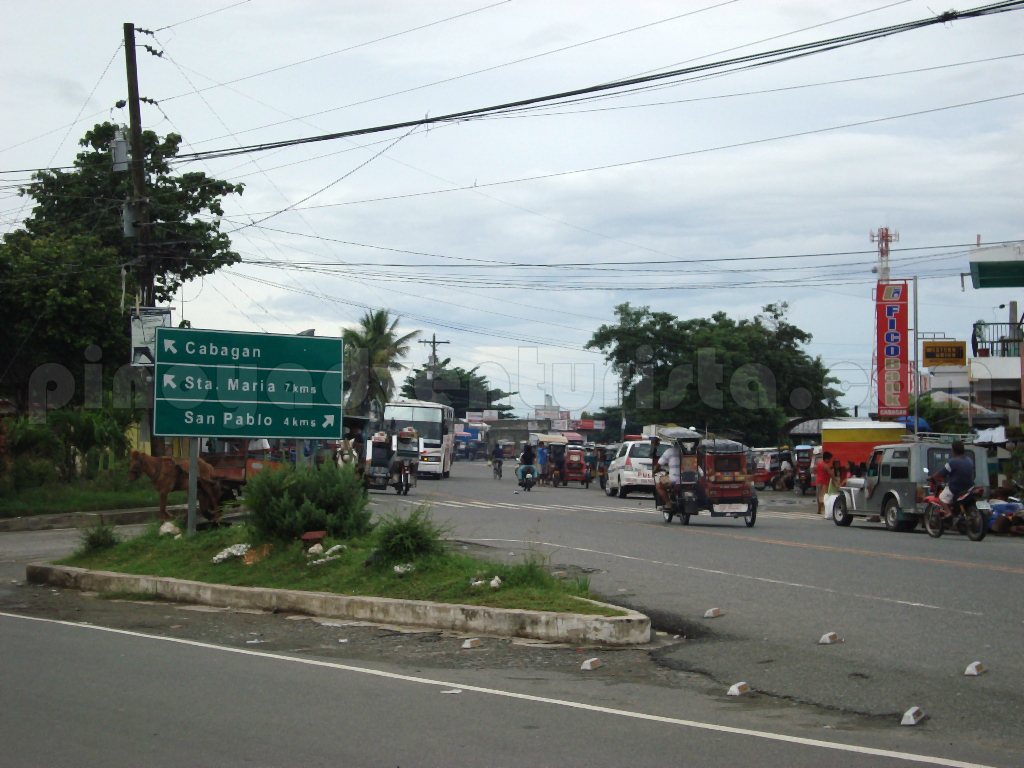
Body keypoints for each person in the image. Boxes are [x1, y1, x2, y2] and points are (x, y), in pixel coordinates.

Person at [930, 441, 975, 517]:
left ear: (953, 450)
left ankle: (948, 512)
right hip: (968, 488)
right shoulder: (969, 460)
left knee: (941, 497)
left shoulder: (952, 462)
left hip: (956, 488)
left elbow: (942, 472)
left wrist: (932, 477)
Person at [652, 437, 680, 511]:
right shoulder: (690, 453)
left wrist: (654, 471)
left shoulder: (669, 451)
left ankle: (668, 503)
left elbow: (659, 464)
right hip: (689, 479)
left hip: (674, 479)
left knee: (659, 485)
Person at [815, 450, 836, 515]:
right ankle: (824, 510)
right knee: (824, 496)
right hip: (824, 482)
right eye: (829, 459)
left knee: (819, 496)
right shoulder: (826, 465)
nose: (830, 460)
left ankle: (819, 510)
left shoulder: (819, 464)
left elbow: (815, 471)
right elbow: (831, 474)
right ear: (827, 459)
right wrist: (835, 481)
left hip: (818, 481)